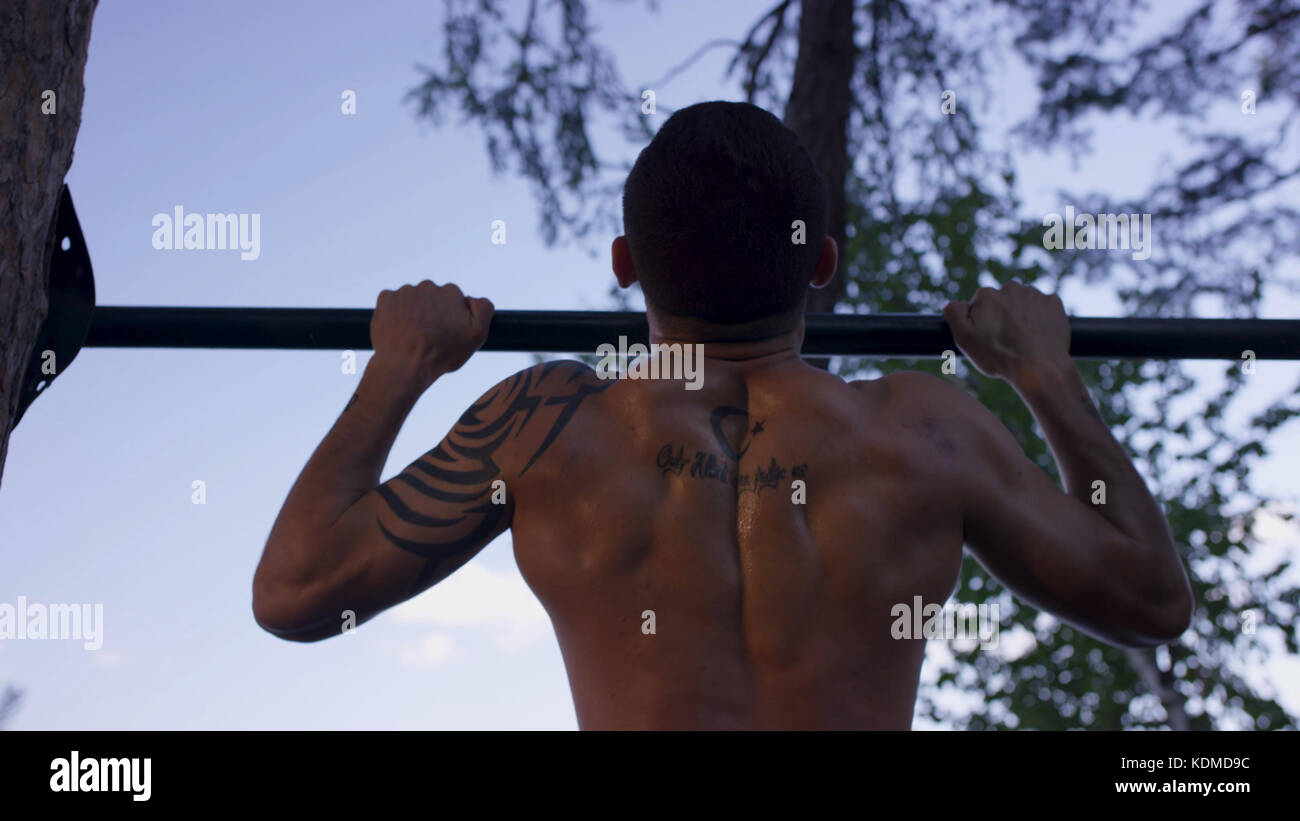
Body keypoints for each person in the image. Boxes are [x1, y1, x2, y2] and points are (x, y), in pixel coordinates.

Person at [252, 101, 1192, 729]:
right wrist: (1045, 374)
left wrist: (401, 366)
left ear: (625, 262)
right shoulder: (923, 430)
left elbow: (295, 593)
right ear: (820, 263)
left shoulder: (550, 425)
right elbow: (1151, 600)